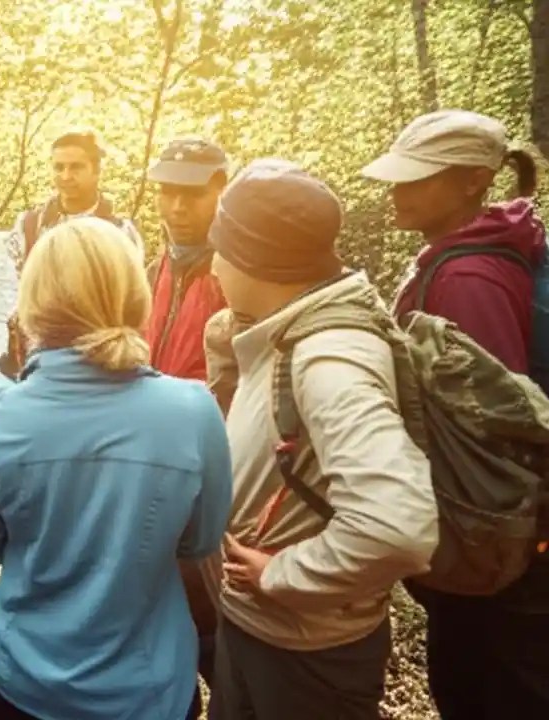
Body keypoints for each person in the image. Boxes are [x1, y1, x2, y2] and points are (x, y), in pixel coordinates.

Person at [0, 216, 232, 720]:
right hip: (151, 689)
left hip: (26, 679)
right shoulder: (194, 412)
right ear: (132, 295)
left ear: (33, 302)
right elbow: (200, 540)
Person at [206, 159, 438, 720]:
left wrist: (282, 575)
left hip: (303, 657)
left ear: (258, 260)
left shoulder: (329, 357)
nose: (213, 265)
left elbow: (398, 528)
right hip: (265, 634)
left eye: (223, 249)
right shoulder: (292, 328)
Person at [361, 109, 549, 718]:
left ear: (472, 180)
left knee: (487, 689)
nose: (397, 189)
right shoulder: (474, 253)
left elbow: (491, 430)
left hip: (497, 556)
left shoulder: (468, 275)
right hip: (510, 549)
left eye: (417, 176)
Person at [143, 135, 231, 719]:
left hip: (212, 472)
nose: (177, 207)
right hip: (154, 470)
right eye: (168, 192)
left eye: (192, 194)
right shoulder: (154, 269)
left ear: (220, 190)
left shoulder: (237, 272)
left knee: (212, 620)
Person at [0, 128, 143, 376]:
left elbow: (129, 297)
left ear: (96, 171)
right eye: (59, 167)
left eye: (76, 167)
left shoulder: (120, 231)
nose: (66, 176)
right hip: (34, 353)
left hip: (97, 353)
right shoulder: (29, 225)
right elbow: (7, 282)